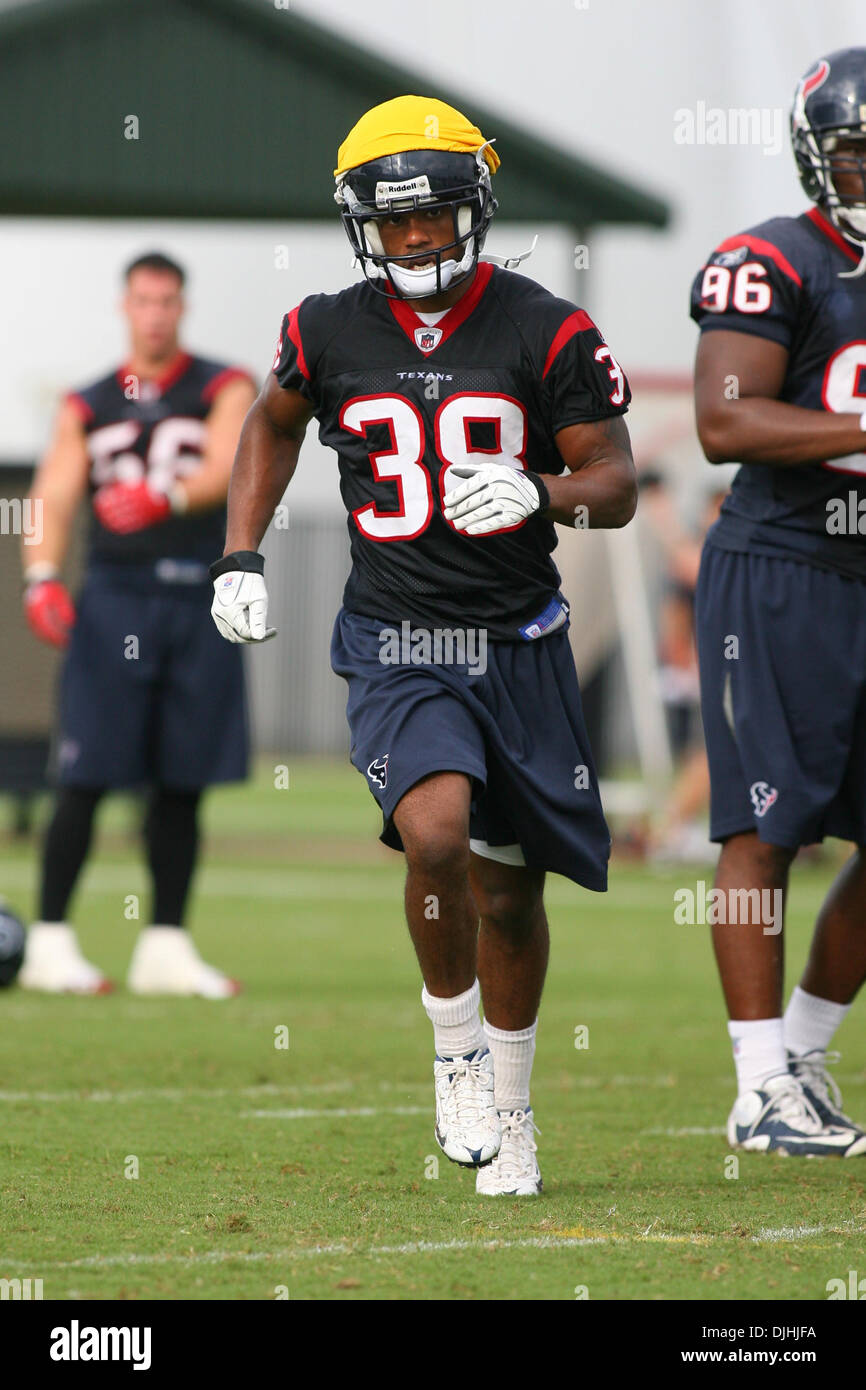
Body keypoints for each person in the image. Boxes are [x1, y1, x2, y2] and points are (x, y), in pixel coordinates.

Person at [211, 96, 636, 1194]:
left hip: (520, 639)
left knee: (508, 892)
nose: (413, 240)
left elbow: (617, 485)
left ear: (474, 209)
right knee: (435, 832)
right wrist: (239, 552)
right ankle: (452, 1048)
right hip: (398, 634)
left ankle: (511, 1100)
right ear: (361, 223)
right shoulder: (326, 326)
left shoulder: (545, 327)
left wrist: (542, 491)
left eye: (433, 216)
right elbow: (270, 422)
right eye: (392, 223)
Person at [690, 49, 866, 1156]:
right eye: (859, 152)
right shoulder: (771, 257)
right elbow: (724, 419)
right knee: (765, 823)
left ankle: (801, 1053)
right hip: (785, 564)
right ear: (818, 154)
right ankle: (756, 1081)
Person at [21, 251, 256, 997]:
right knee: (84, 772)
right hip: (115, 596)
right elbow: (52, 493)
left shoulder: (222, 383)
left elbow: (231, 464)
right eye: (143, 301)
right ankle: (51, 940)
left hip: (196, 595)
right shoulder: (87, 401)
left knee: (183, 780)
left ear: (181, 308)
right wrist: (41, 576)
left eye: (167, 301)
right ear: (126, 307)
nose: (154, 313)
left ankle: (165, 942)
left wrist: (168, 498)